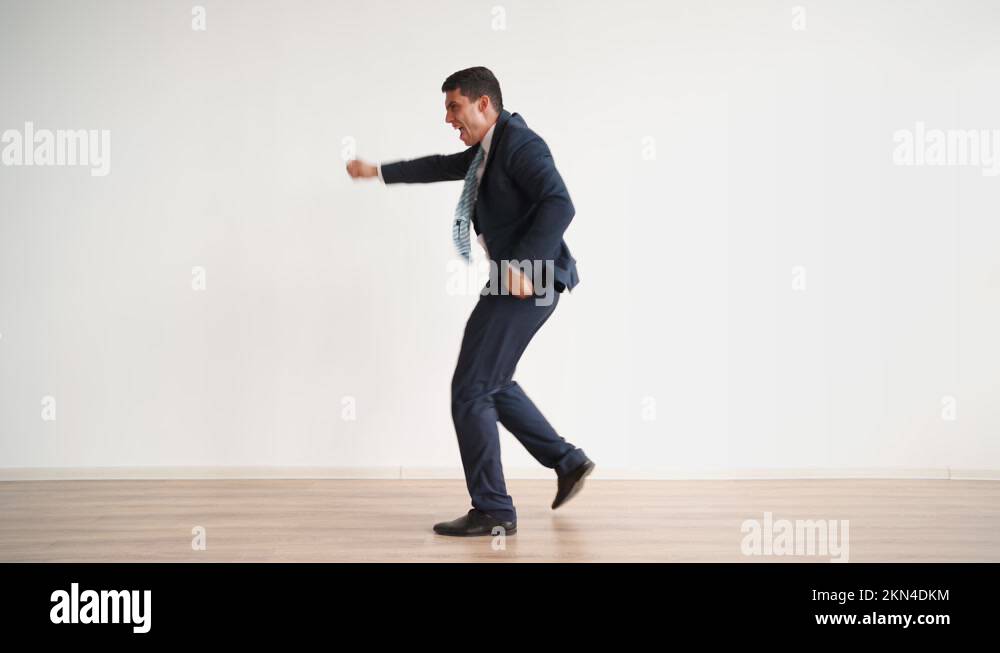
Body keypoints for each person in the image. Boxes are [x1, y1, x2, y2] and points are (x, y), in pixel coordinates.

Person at [346, 66, 594, 536]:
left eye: (454, 107)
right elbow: (439, 164)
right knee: (491, 384)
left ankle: (495, 510)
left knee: (470, 389)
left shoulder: (520, 143)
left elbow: (559, 203)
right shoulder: (486, 151)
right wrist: (376, 172)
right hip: (515, 279)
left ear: (484, 104)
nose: (448, 118)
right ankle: (567, 460)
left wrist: (524, 265)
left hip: (529, 279)